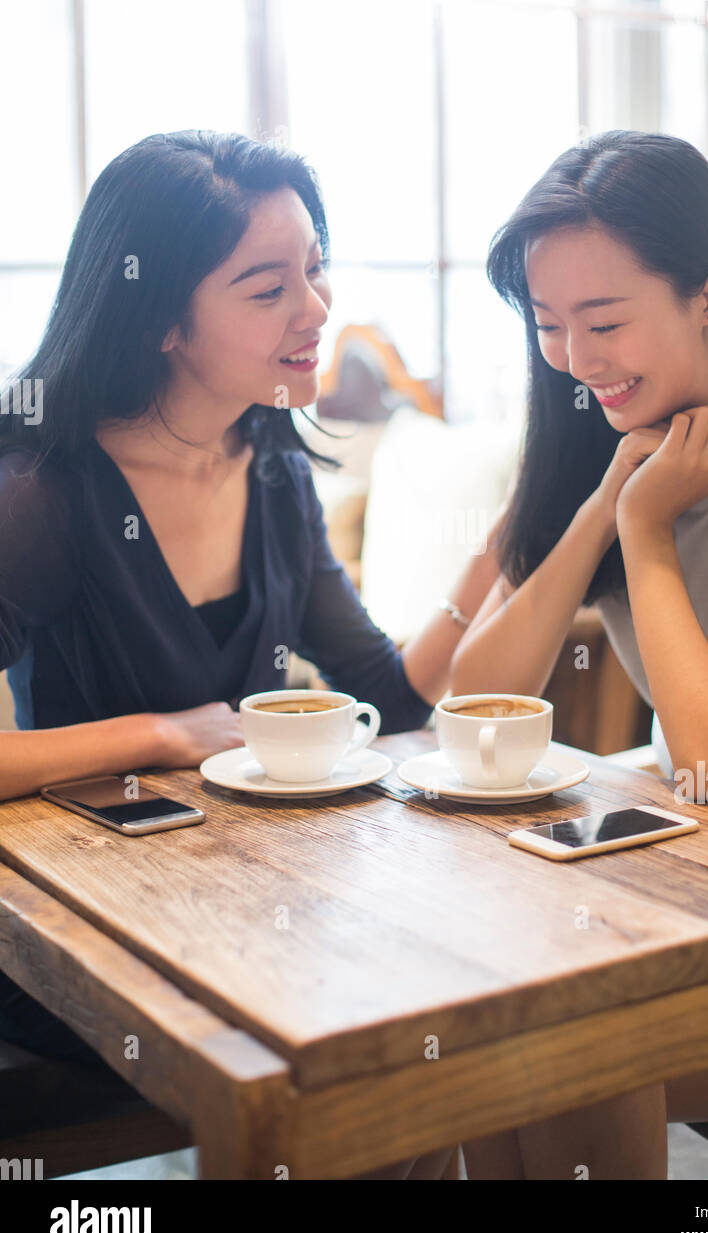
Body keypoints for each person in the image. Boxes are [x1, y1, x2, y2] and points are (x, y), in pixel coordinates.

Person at [0, 130, 503, 1177]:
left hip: (250, 896)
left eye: (314, 269)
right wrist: (161, 735)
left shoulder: (271, 463)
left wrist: (504, 551)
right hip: (77, 926)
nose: (316, 309)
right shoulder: (36, 488)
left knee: (452, 1012)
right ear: (163, 318)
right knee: (364, 1041)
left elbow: (384, 692)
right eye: (267, 287)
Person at [450, 129, 708, 1178]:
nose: (578, 362)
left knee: (572, 1060)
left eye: (603, 321)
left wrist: (645, 533)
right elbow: (477, 697)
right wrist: (601, 504)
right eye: (548, 326)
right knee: (469, 1038)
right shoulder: (601, 444)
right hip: (693, 897)